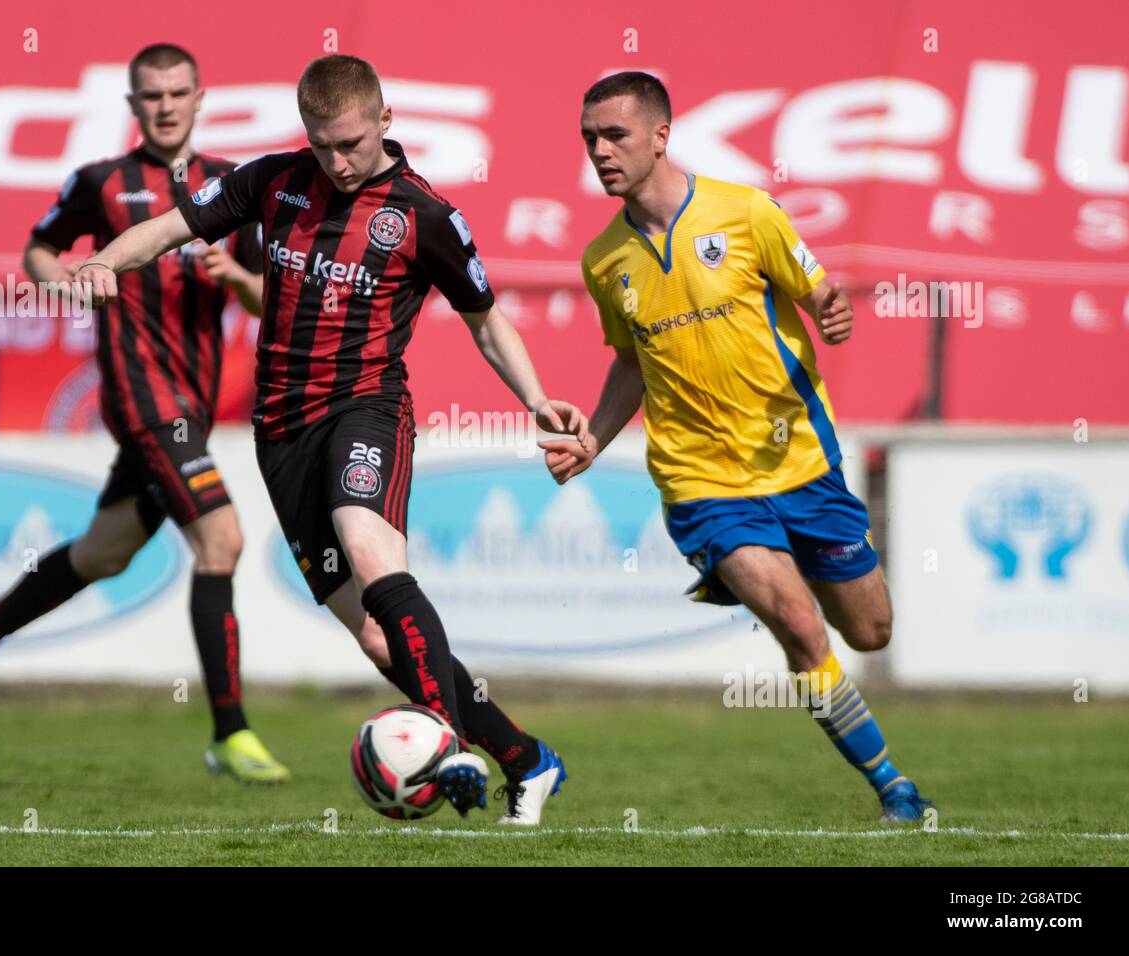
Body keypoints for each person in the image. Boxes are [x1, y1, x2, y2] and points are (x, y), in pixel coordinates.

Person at [72, 54, 585, 825]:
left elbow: (486, 320)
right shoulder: (275, 180)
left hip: (365, 408)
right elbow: (171, 228)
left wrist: (536, 397)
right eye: (323, 145)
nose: (338, 162)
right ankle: (526, 759)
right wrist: (105, 259)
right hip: (280, 434)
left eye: (350, 143)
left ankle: (444, 740)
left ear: (384, 123)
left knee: (370, 544)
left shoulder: (424, 215)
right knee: (383, 644)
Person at [541, 72, 933, 823]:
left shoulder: (747, 212)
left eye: (615, 134)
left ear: (661, 135)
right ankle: (895, 788)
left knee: (871, 631)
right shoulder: (604, 260)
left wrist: (828, 306)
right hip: (699, 480)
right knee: (798, 623)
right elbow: (632, 362)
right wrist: (592, 437)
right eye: (589, 137)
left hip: (801, 464)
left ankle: (772, 576)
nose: (599, 150)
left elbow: (814, 285)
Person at [0, 43, 290, 785]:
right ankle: (231, 733)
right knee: (221, 539)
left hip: (191, 405)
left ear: (201, 98)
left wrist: (236, 276)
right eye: (150, 95)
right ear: (133, 106)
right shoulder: (100, 182)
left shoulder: (237, 186)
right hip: (140, 397)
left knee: (104, 554)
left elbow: (269, 300)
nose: (165, 106)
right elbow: (39, 249)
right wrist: (68, 283)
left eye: (177, 93)